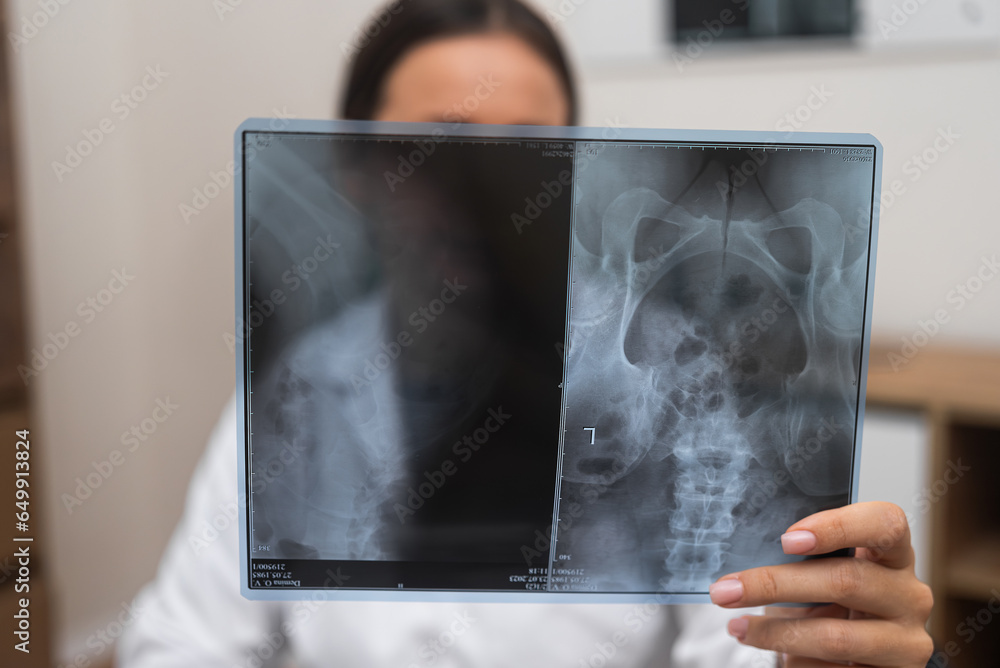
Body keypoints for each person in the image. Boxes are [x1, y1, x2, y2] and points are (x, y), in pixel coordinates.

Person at [118, 1, 934, 666]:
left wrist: (823, 653)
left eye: (529, 157)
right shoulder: (298, 391)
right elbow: (179, 645)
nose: (484, 192)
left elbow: (737, 645)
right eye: (435, 151)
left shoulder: (671, 375)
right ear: (358, 173)